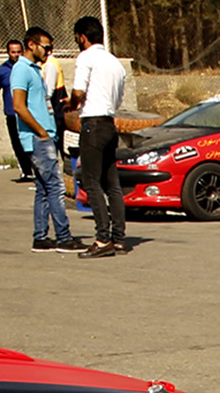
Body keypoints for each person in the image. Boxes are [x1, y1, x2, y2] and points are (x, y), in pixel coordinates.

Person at [9, 28, 79, 251]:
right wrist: (40, 131)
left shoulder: (34, 69)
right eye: (45, 47)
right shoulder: (21, 70)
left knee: (42, 188)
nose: (48, 51)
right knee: (55, 187)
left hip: (45, 135)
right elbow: (18, 106)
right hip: (38, 138)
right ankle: (63, 237)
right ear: (32, 45)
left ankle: (40, 237)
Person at [68, 15, 130, 257]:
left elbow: (78, 91)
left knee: (92, 182)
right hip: (109, 124)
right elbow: (118, 99)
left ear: (82, 37)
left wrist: (70, 105)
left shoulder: (86, 58)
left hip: (92, 124)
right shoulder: (116, 64)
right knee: (112, 184)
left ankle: (102, 239)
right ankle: (119, 238)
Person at [0, 40, 30, 180]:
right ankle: (26, 171)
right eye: (13, 52)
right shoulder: (3, 70)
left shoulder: (28, 67)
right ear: (8, 53)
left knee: (30, 142)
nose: (16, 55)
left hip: (28, 112)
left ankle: (36, 169)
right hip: (12, 113)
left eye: (19, 51)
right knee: (17, 143)